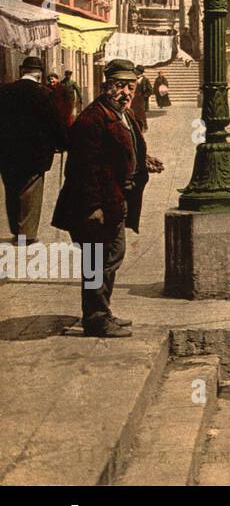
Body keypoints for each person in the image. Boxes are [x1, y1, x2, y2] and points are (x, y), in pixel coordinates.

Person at [52, 58, 163, 338]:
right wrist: (94, 207)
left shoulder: (122, 113)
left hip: (114, 201)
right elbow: (83, 168)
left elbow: (119, 148)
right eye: (120, 86)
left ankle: (103, 311)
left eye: (131, 87)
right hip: (95, 205)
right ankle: (96, 318)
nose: (126, 92)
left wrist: (142, 160)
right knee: (97, 260)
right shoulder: (93, 119)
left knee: (111, 256)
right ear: (107, 87)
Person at [0, 56, 68, 242]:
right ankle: (27, 234)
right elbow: (56, 123)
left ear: (22, 71)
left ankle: (16, 229)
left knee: (11, 190)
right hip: (36, 154)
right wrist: (63, 143)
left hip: (7, 153)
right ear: (39, 74)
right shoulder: (45, 94)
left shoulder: (4, 92)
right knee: (30, 193)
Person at [129, 66, 152, 133]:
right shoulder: (133, 78)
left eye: (136, 70)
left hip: (141, 99)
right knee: (132, 112)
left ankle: (143, 127)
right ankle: (134, 127)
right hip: (133, 98)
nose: (135, 71)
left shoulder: (145, 80)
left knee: (141, 114)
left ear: (140, 72)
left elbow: (150, 90)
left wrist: (144, 96)